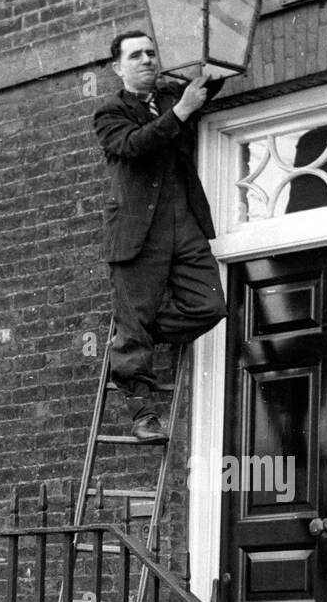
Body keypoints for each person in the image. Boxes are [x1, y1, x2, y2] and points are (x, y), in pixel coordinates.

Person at [93, 31, 228, 442]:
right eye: (136, 56)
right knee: (132, 330)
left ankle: (142, 331)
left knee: (210, 305)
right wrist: (183, 111)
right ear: (119, 66)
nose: (147, 60)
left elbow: (211, 78)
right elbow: (136, 145)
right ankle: (143, 415)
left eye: (152, 53)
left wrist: (219, 38)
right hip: (136, 232)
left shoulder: (173, 95)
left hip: (183, 223)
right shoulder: (110, 113)